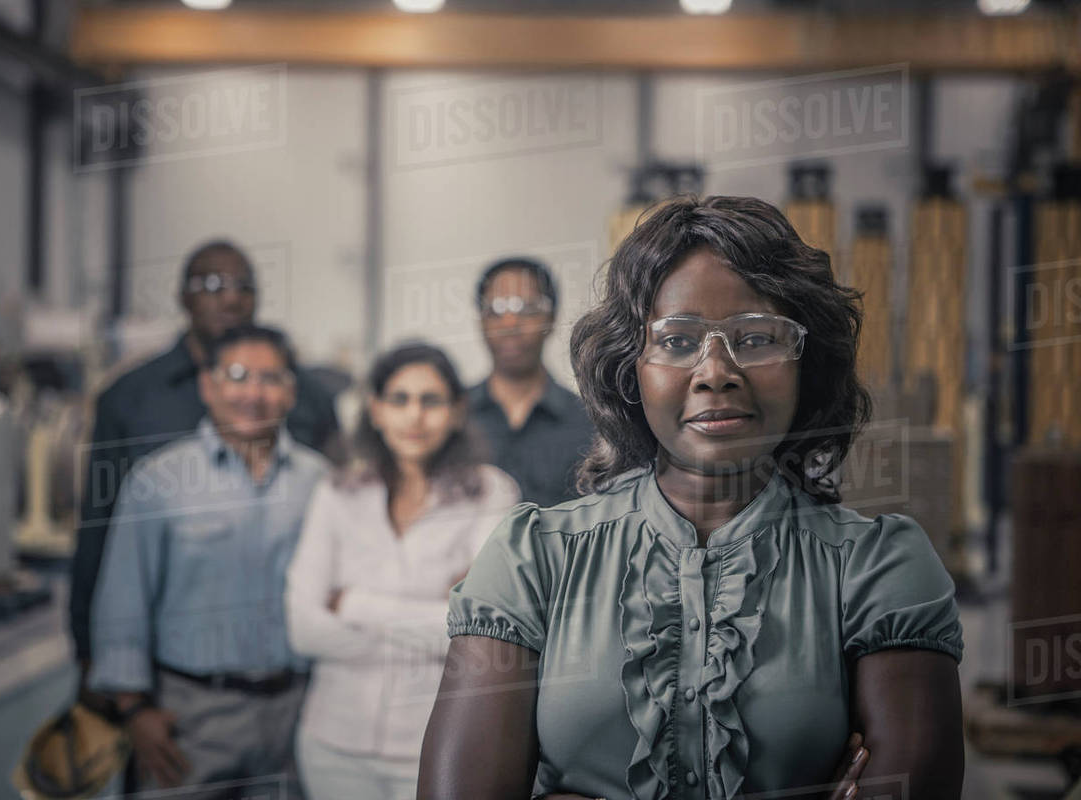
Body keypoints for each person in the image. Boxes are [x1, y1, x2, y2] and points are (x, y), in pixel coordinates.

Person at [419, 196, 964, 800]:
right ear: (632, 369)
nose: (715, 372)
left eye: (757, 337)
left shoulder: (880, 567)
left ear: (809, 363)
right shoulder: (533, 558)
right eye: (678, 342)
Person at [70, 239, 341, 670]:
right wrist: (92, 653)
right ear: (183, 297)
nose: (230, 297)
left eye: (242, 285)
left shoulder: (310, 397)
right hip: (180, 659)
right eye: (212, 284)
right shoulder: (129, 398)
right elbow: (100, 530)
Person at [88, 325, 326, 798]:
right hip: (189, 716)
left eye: (270, 378)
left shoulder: (321, 482)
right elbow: (123, 600)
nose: (253, 393)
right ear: (208, 386)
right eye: (237, 376)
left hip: (297, 714)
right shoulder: (160, 480)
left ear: (290, 391)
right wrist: (134, 711)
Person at [286, 342, 519, 800]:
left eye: (430, 401)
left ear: (456, 412)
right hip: (332, 743)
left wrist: (352, 602)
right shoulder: (336, 492)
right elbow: (303, 629)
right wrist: (434, 615)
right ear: (375, 410)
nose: (414, 416)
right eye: (399, 399)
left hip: (436, 744)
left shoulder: (491, 494)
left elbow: (477, 631)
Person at [468, 257, 594, 507]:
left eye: (527, 308)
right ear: (481, 320)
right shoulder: (451, 417)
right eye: (496, 309)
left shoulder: (590, 424)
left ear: (552, 318)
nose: (510, 323)